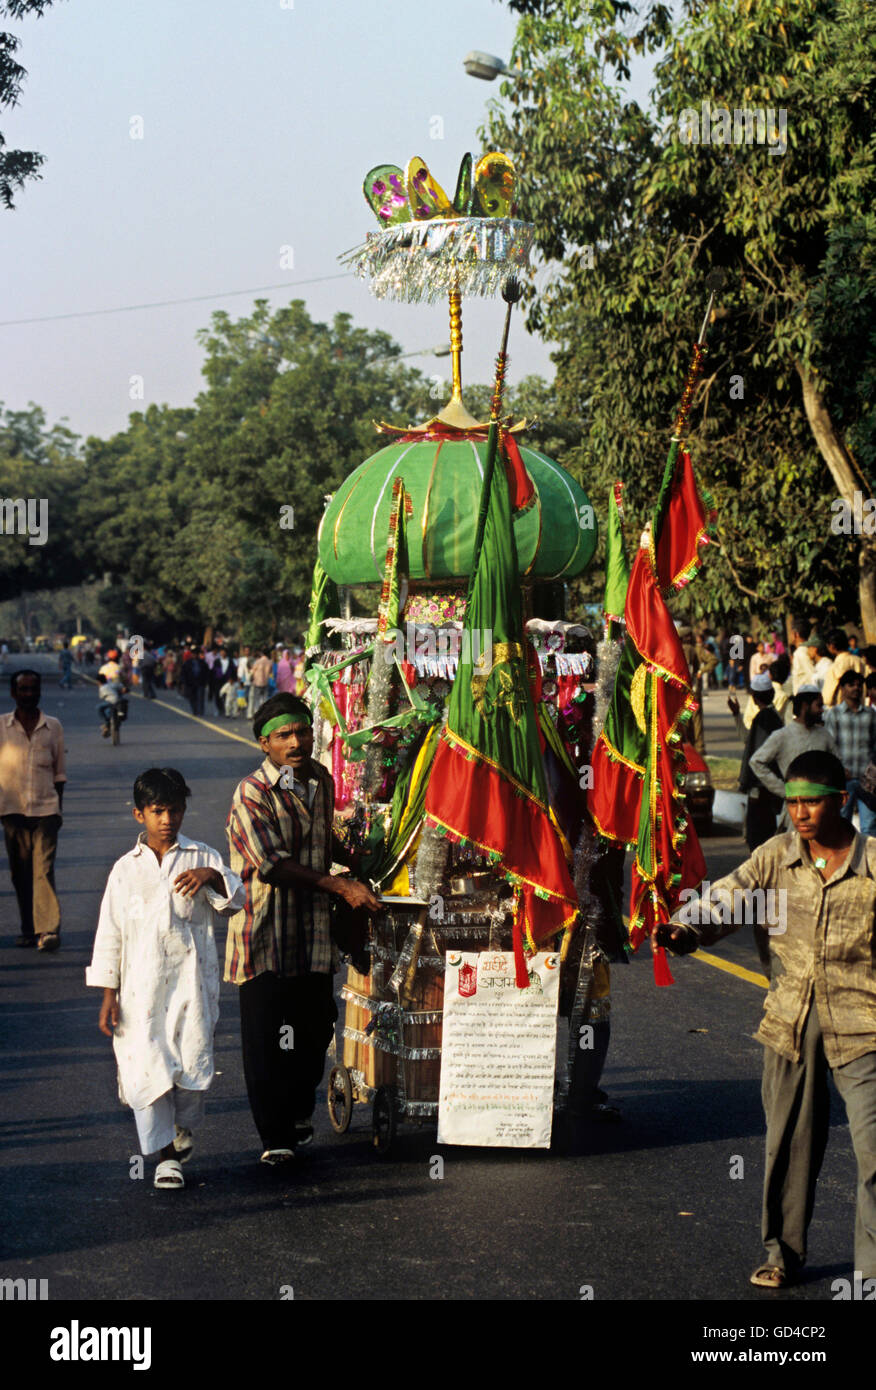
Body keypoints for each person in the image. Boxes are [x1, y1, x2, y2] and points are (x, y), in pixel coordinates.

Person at [657, 749, 876, 1288]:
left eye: (811, 803)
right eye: (792, 802)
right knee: (788, 1145)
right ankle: (782, 1255)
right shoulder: (776, 855)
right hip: (790, 1019)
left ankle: (871, 1273)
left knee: (874, 1153)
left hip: (864, 1024)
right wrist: (687, 928)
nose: (800, 813)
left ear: (840, 801)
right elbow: (728, 897)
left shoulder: (873, 863)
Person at [225, 693, 381, 1165]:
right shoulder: (252, 793)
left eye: (302, 732)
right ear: (264, 743)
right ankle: (275, 1136)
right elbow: (273, 864)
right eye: (283, 736)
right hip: (265, 934)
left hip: (312, 934)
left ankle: (295, 1111)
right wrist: (340, 885)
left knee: (314, 1029)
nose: (295, 743)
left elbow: (320, 840)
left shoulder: (320, 780)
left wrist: (361, 861)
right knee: (268, 1040)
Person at [86, 768, 244, 1190]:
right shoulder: (125, 871)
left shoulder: (201, 856)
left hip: (192, 986)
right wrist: (109, 994)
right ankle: (166, 1158)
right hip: (140, 991)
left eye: (175, 810)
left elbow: (235, 901)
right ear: (139, 814)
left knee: (191, 1065)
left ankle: (181, 1127)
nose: (167, 819)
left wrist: (212, 876)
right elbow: (110, 933)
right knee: (146, 1067)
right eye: (157, 811)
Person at [0, 670, 65, 950]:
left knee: (43, 870)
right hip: (12, 812)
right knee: (20, 873)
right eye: (23, 690)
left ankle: (48, 930)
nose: (28, 694)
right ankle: (29, 928)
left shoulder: (53, 727)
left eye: (33, 689)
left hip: (45, 811)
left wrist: (58, 810)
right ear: (13, 693)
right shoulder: (2, 726)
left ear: (40, 692)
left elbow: (59, 773)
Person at [748, 687, 838, 829]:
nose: (822, 710)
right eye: (818, 705)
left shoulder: (824, 735)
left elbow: (837, 764)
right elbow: (756, 762)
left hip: (822, 810)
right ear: (805, 706)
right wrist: (783, 790)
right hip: (795, 811)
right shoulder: (782, 735)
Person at [824, 668, 876, 836]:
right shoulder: (834, 714)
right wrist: (838, 769)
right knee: (841, 822)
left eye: (859, 685)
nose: (856, 688)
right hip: (843, 779)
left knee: (869, 826)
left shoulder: (870, 715)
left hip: (867, 780)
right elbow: (830, 746)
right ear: (842, 688)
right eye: (851, 685)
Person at [820, 628, 866, 708]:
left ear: (832, 646)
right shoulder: (860, 662)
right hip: (860, 708)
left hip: (842, 711)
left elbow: (827, 699)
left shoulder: (835, 667)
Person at [179, 648, 208, 717]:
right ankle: (195, 710)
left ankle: (200, 711)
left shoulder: (202, 663)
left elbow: (206, 672)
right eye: (193, 654)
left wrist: (206, 681)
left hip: (200, 682)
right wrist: (183, 682)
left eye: (196, 654)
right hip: (190, 683)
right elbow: (183, 673)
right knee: (192, 698)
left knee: (200, 697)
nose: (194, 655)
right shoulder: (187, 663)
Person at [97, 669, 127, 736]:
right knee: (109, 711)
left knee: (99, 708)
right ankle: (109, 724)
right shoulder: (112, 684)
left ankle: (107, 723)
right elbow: (122, 687)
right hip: (118, 701)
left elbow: (102, 697)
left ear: (99, 682)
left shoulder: (102, 688)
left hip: (110, 702)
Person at [248, 647, 273, 718]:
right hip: (265, 682)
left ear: (262, 653)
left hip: (257, 682)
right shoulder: (269, 662)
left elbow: (252, 671)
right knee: (264, 699)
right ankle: (264, 714)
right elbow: (270, 672)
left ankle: (256, 714)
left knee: (256, 699)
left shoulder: (258, 661)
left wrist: (251, 677)